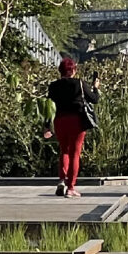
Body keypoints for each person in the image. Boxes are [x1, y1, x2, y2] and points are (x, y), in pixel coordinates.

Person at [46, 57, 100, 198]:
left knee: (64, 151)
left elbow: (49, 107)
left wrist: (47, 126)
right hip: (76, 120)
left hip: (59, 121)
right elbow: (94, 99)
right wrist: (96, 88)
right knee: (74, 153)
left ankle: (61, 181)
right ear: (74, 70)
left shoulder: (53, 86)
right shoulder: (79, 84)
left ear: (60, 71)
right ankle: (71, 188)